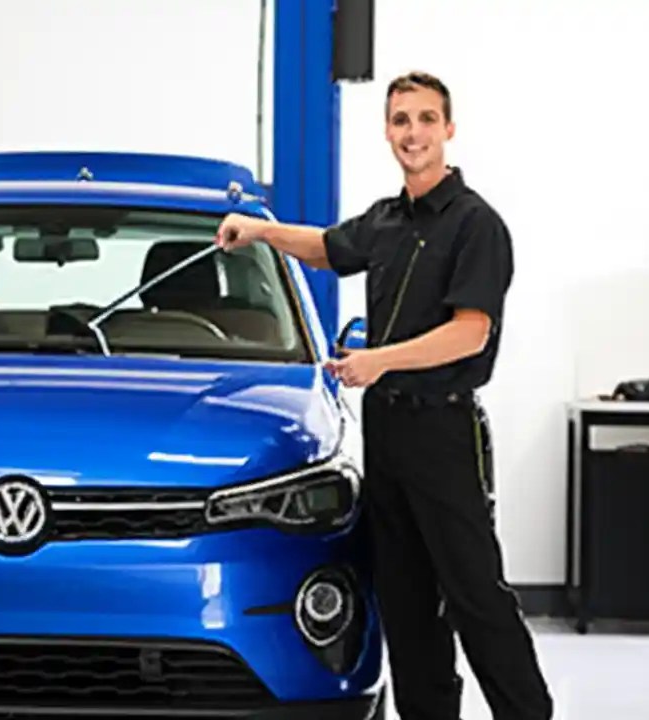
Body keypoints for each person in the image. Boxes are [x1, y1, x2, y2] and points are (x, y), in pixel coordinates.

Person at [213, 71, 553, 719]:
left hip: (445, 433)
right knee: (405, 599)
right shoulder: (388, 220)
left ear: (448, 129)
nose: (413, 133)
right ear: (388, 132)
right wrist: (260, 231)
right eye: (401, 121)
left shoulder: (477, 225)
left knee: (476, 596)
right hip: (389, 436)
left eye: (426, 120)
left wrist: (378, 362)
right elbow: (326, 248)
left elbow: (469, 334)